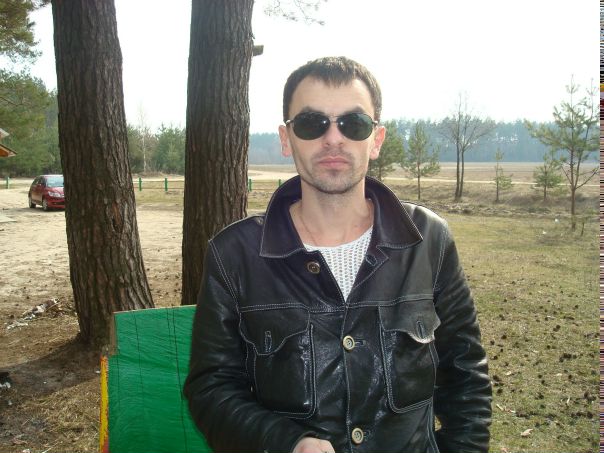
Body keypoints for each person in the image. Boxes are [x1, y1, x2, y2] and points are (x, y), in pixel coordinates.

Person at [184, 56, 492, 453]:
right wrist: (287, 443)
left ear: (376, 140)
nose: (333, 139)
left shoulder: (427, 240)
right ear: (286, 139)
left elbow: (467, 379)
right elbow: (210, 389)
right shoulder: (235, 255)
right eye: (312, 123)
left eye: (353, 123)